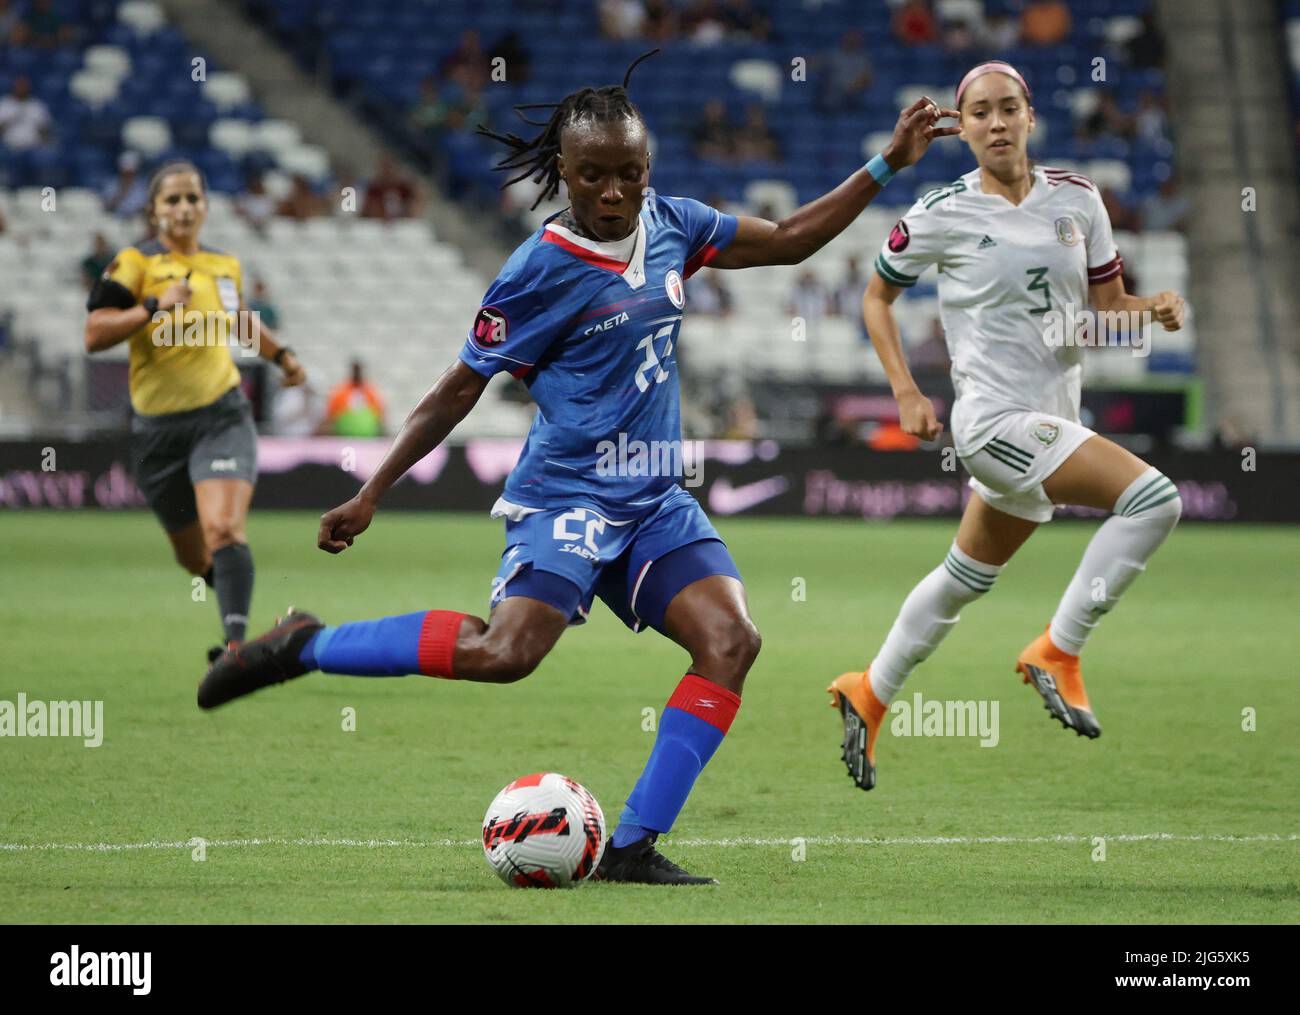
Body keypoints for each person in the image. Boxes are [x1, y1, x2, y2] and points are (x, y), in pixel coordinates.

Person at [198, 52, 958, 884]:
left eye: (628, 174)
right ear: (562, 170)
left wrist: (888, 161)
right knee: (506, 654)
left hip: (655, 496)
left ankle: (631, 846)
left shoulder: (676, 224)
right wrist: (372, 490)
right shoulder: (538, 269)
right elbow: (458, 389)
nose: (611, 193)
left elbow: (789, 240)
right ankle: (306, 646)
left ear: (646, 169)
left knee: (731, 640)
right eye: (592, 174)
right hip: (569, 495)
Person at [827, 62, 1185, 791]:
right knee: (1156, 500)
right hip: (991, 422)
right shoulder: (941, 211)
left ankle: (870, 688)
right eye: (981, 112)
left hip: (1049, 420)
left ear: (1029, 118)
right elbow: (875, 297)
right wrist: (906, 391)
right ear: (962, 128)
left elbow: (1106, 305)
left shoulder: (1079, 200)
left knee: (964, 579)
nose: (996, 122)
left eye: (1008, 109)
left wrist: (1150, 309)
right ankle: (1059, 648)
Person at [84, 161, 307, 660]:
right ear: (153, 211)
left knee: (224, 528)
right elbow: (94, 335)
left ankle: (236, 648)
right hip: (157, 432)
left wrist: (281, 355)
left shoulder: (223, 265)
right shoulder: (134, 264)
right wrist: (151, 307)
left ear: (205, 207)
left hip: (221, 416)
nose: (184, 208)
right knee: (192, 556)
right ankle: (240, 605)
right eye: (172, 200)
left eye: (192, 198)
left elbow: (237, 320)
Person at [322, 360, 386, 437]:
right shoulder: (341, 392)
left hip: (368, 438)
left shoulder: (371, 392)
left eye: (359, 370)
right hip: (344, 437)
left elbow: (380, 416)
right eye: (355, 370)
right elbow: (330, 416)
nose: (357, 373)